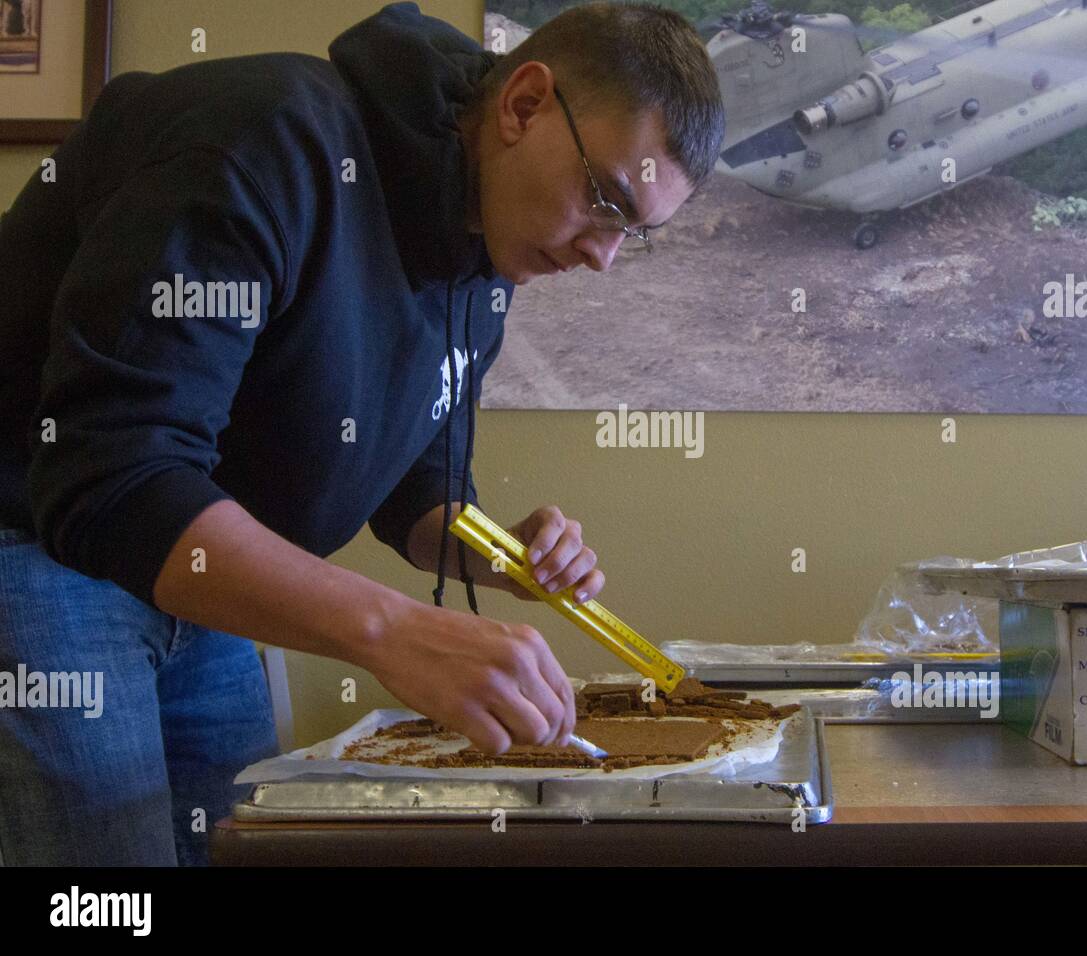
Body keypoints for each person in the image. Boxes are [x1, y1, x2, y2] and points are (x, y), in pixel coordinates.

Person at [0, 1, 723, 865]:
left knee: (233, 851)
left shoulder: (481, 245)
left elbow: (410, 472)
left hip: (195, 570)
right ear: (523, 105)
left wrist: (494, 554)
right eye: (606, 200)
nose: (602, 256)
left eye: (633, 235)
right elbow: (111, 476)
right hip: (41, 545)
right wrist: (393, 633)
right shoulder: (259, 143)